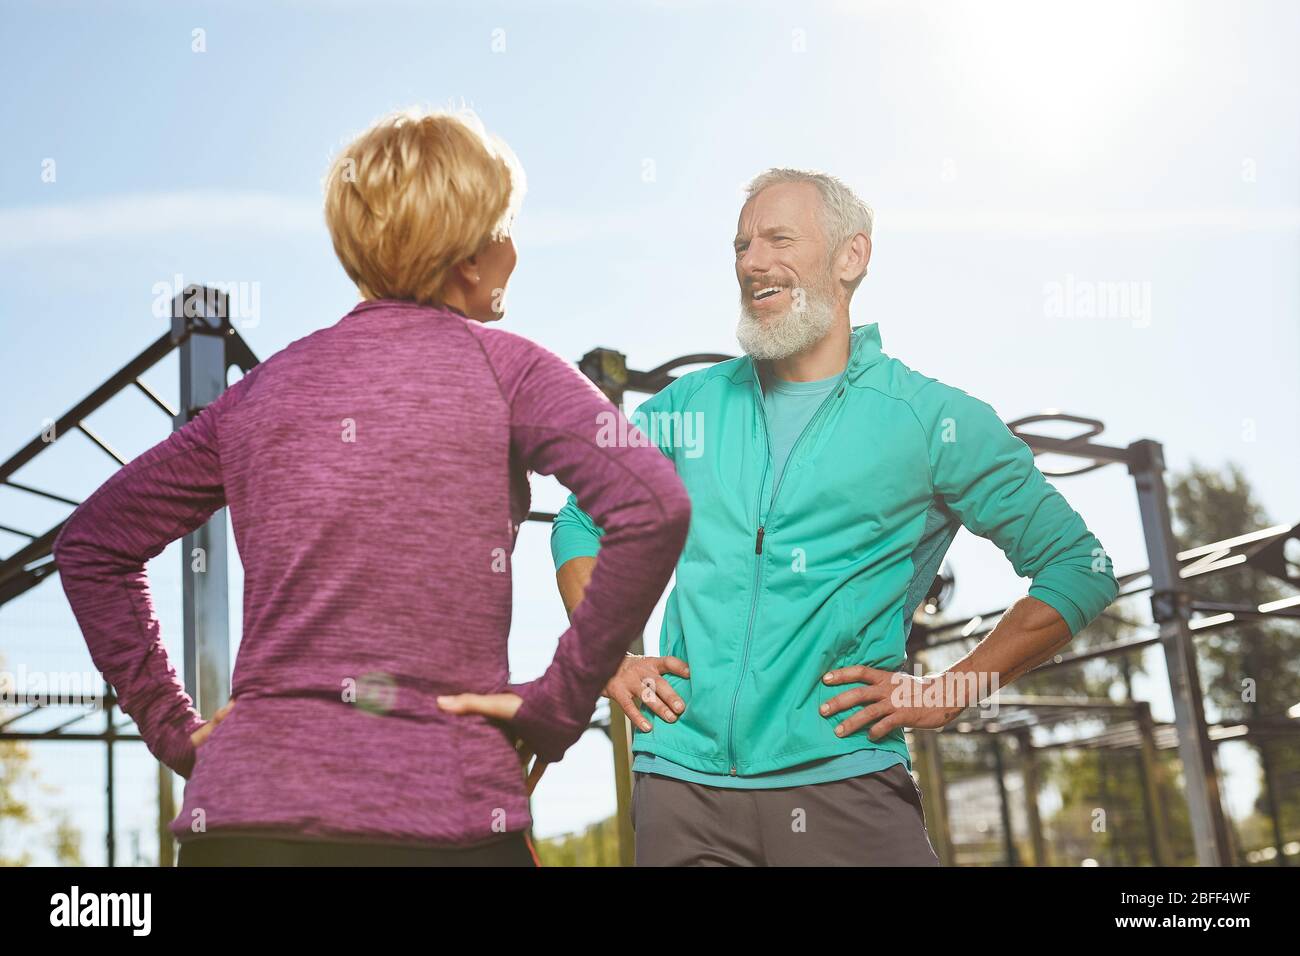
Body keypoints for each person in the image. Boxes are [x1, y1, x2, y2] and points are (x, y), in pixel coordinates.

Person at [52, 108, 691, 867]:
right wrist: (559, 700)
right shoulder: (510, 369)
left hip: (245, 821)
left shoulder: (257, 394)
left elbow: (91, 544)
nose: (516, 248)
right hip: (445, 819)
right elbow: (653, 505)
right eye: (507, 226)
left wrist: (171, 727)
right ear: (469, 256)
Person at [551, 168, 1119, 866]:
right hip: (681, 791)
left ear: (852, 257)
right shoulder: (687, 408)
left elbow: (1078, 569)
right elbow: (581, 520)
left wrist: (951, 691)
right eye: (741, 245)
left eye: (779, 238)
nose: (753, 261)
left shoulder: (929, 419)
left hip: (845, 788)